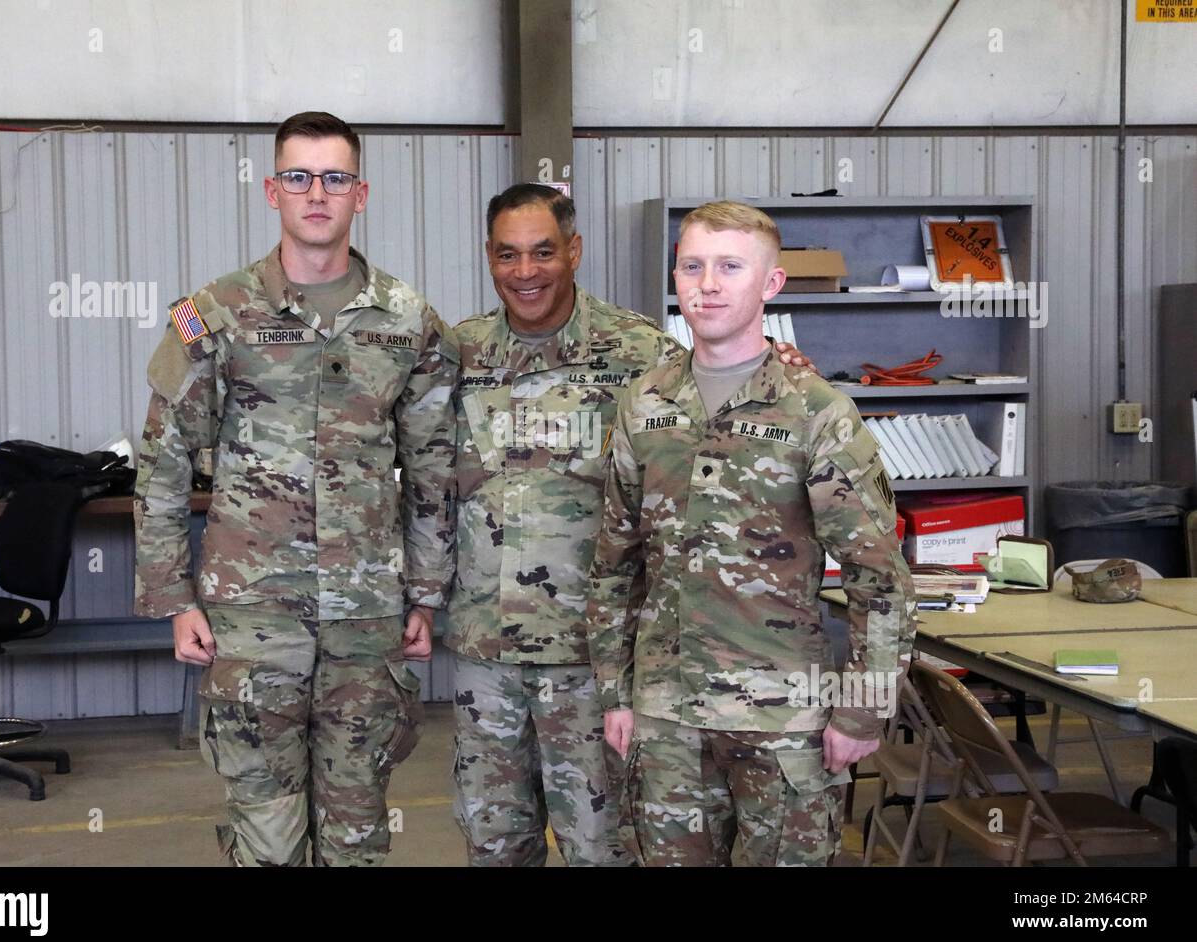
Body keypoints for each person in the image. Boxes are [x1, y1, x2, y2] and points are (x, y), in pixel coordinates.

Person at [447, 184, 814, 865]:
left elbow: (727, 404)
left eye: (542, 252)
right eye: (508, 255)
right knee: (492, 843)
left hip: (594, 663)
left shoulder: (640, 352)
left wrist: (783, 368)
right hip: (483, 655)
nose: (524, 272)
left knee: (605, 846)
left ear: (574, 251)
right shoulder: (456, 354)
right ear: (490, 258)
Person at [133, 111, 458, 867]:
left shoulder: (408, 323)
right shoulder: (213, 316)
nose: (318, 193)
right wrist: (175, 598)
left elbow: (436, 468)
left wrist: (425, 594)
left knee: (356, 832)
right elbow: (165, 463)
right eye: (300, 177)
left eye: (335, 178)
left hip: (366, 619)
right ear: (272, 190)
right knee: (269, 837)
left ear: (361, 194)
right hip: (252, 618)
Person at [586, 200, 916, 867]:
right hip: (666, 716)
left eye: (729, 267)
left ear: (770, 283)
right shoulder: (644, 404)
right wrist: (614, 695)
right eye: (692, 266)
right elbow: (615, 561)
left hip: (783, 720)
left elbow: (878, 576)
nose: (706, 284)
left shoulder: (817, 412)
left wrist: (863, 712)